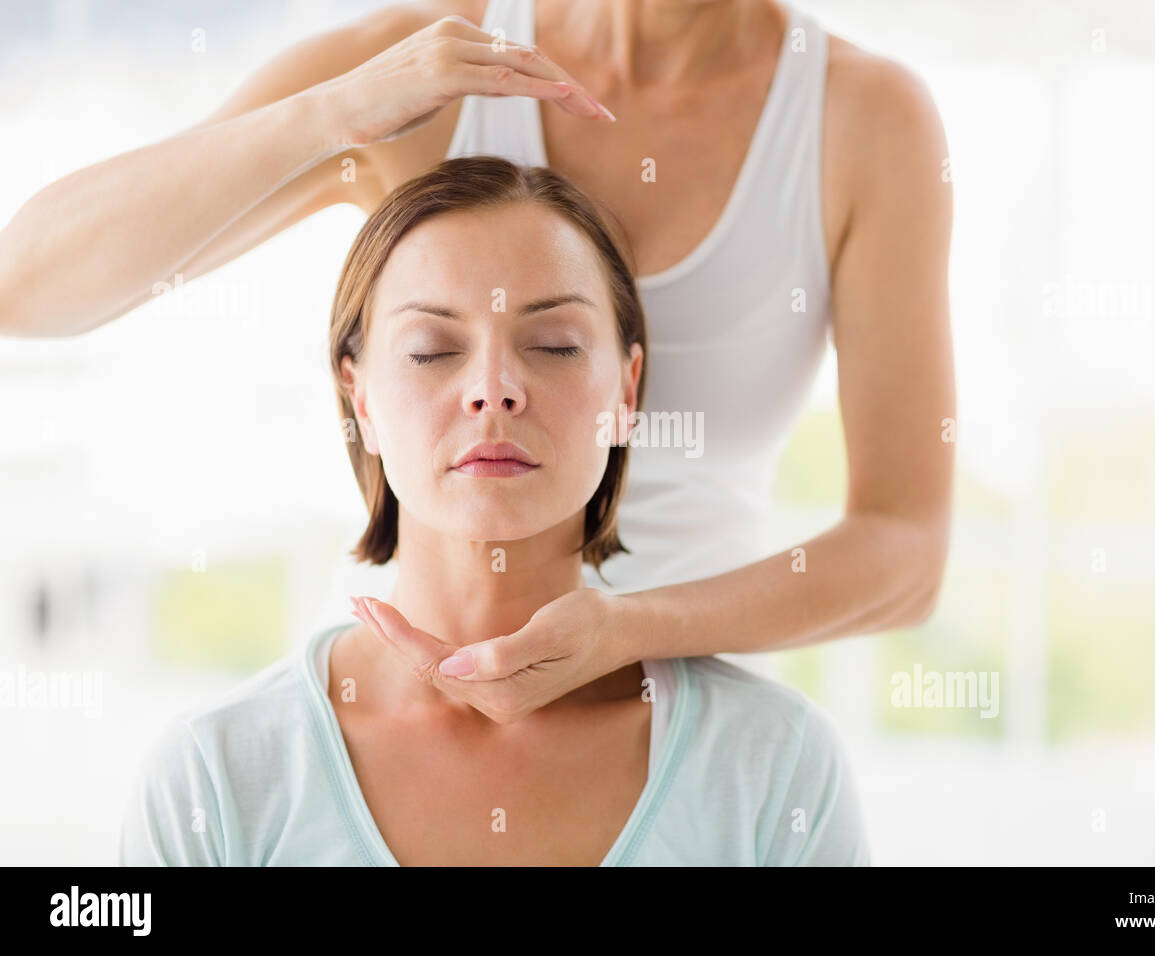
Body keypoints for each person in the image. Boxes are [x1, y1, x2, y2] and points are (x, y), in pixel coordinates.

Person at [1, 0, 955, 721]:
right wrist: (330, 115)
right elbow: (28, 288)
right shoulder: (427, 68)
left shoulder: (862, 120)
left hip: (693, 725)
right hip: (412, 700)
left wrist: (627, 632)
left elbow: (905, 551)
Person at [118, 155, 872, 866]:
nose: (494, 387)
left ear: (627, 393)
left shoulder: (775, 767)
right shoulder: (213, 780)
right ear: (362, 399)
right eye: (430, 350)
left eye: (553, 344)